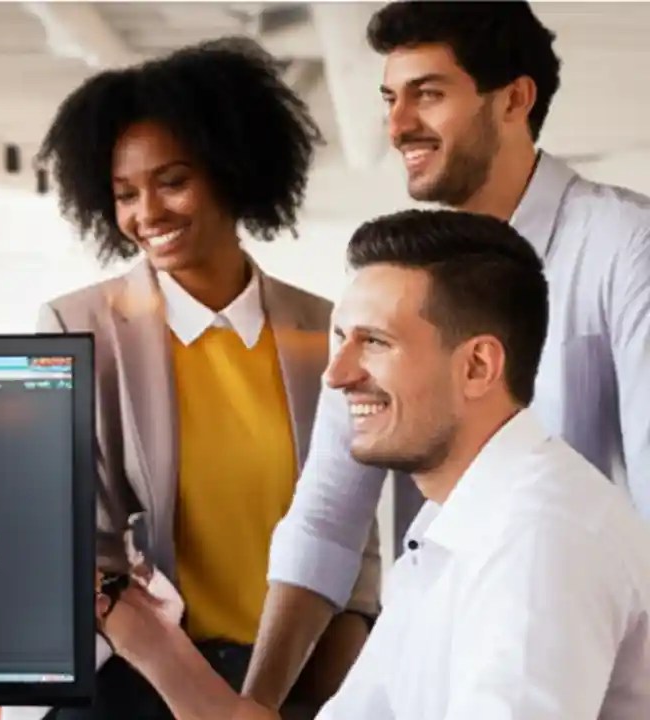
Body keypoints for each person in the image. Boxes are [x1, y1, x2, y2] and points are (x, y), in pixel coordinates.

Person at [244, 2, 650, 709]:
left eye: (427, 93)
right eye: (390, 99)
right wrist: (256, 703)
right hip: (454, 639)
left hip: (587, 646)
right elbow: (327, 515)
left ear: (514, 100)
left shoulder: (626, 247)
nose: (398, 125)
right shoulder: (405, 280)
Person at [100, 209, 650, 720]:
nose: (336, 374)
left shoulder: (540, 541)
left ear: (478, 367)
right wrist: (160, 651)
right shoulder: (451, 525)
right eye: (341, 338)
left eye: (375, 342)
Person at [33, 38, 381, 719]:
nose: (147, 213)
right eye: (124, 194)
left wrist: (294, 699)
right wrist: (204, 703)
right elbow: (82, 555)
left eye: (172, 181)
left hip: (301, 679)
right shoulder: (81, 329)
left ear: (232, 170)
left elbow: (352, 544)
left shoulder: (325, 330)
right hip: (147, 681)